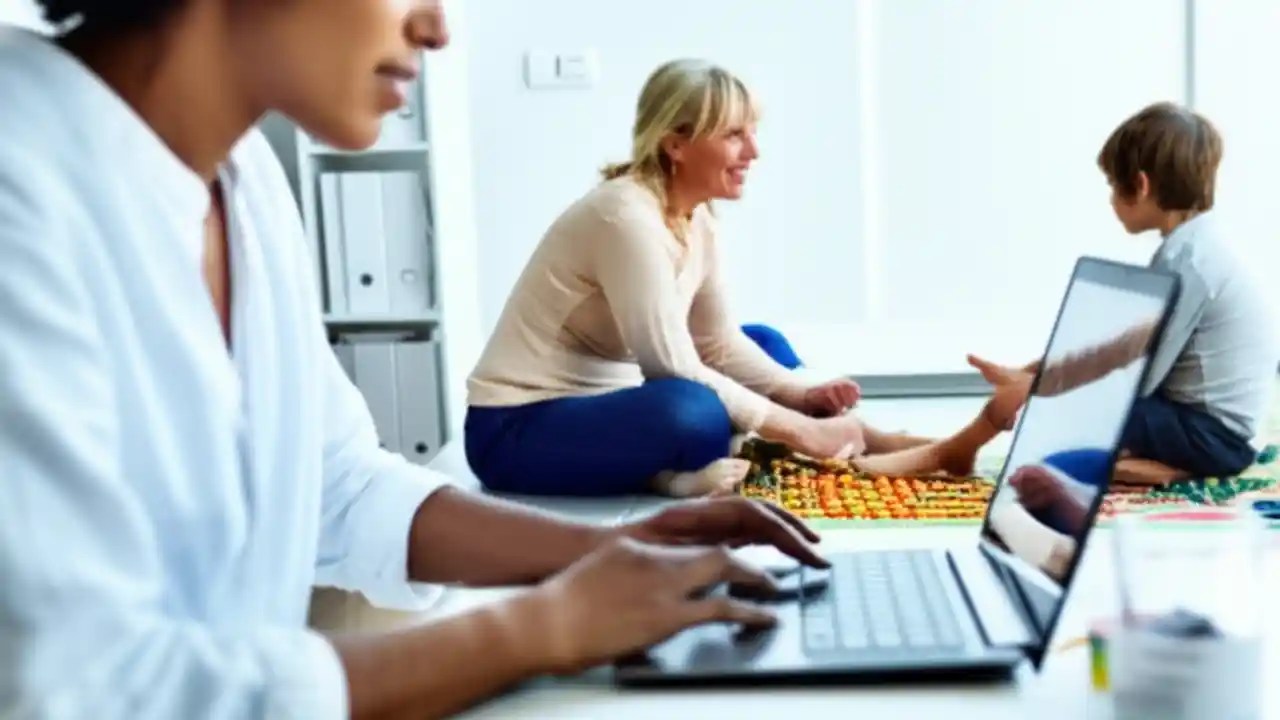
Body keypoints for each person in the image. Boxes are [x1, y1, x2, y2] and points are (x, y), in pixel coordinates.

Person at [0, 4, 850, 718]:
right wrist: (541, 629)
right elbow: (84, 685)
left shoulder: (244, 178)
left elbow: (341, 486)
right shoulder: (22, 184)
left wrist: (599, 554)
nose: (437, 28)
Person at [466, 58, 1018, 498]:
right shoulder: (624, 218)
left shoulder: (695, 215)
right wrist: (797, 424)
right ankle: (686, 473)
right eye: (734, 135)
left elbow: (718, 343)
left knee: (765, 344)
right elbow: (673, 367)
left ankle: (863, 440)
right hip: (518, 429)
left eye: (751, 133)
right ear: (676, 143)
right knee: (691, 412)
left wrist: (803, 393)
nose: (753, 152)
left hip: (612, 405)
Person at [970, 102, 1280, 486]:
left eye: (1113, 186)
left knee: (1078, 409)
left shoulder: (1192, 265)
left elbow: (1139, 378)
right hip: (1199, 424)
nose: (1110, 200)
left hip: (1216, 440)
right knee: (1079, 392)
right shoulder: (1191, 247)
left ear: (1141, 185)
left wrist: (1045, 389)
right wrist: (1036, 372)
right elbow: (1126, 345)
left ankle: (1166, 468)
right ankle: (1139, 458)